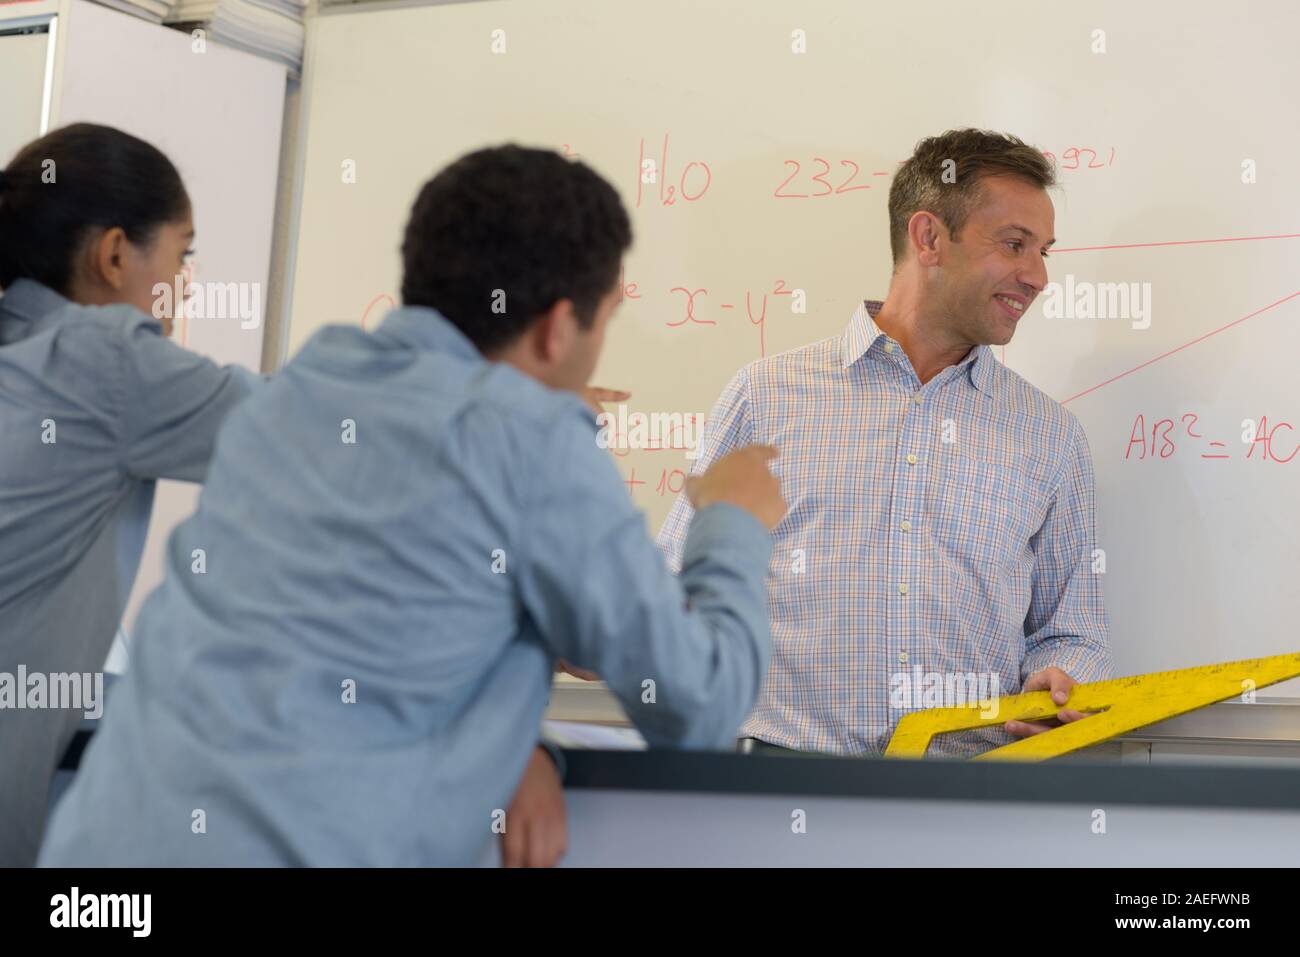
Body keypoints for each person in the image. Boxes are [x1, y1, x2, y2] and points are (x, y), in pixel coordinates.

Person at [39, 144, 786, 867]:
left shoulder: (305, 386)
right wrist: (731, 523)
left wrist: (510, 741)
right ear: (559, 328)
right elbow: (697, 705)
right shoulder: (533, 439)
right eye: (606, 319)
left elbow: (362, 638)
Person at [658, 129, 1112, 757]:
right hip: (779, 791)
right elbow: (676, 586)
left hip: (970, 806)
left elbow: (1074, 631)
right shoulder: (767, 396)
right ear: (928, 237)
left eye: (1044, 252)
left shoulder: (1050, 436)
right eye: (1014, 245)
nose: (1036, 276)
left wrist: (1061, 682)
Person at [0, 124, 260, 865]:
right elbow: (311, 431)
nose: (182, 287)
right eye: (182, 257)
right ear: (114, 255)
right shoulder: (103, 358)